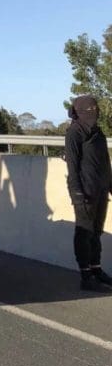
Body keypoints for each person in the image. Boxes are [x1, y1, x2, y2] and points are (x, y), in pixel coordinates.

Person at [65, 94, 112, 292]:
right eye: (88, 108)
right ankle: (86, 276)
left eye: (95, 108)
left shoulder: (98, 132)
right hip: (84, 191)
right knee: (84, 232)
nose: (93, 111)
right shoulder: (74, 132)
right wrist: (77, 192)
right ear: (79, 110)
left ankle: (96, 269)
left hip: (100, 190)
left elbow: (105, 162)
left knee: (96, 232)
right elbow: (73, 165)